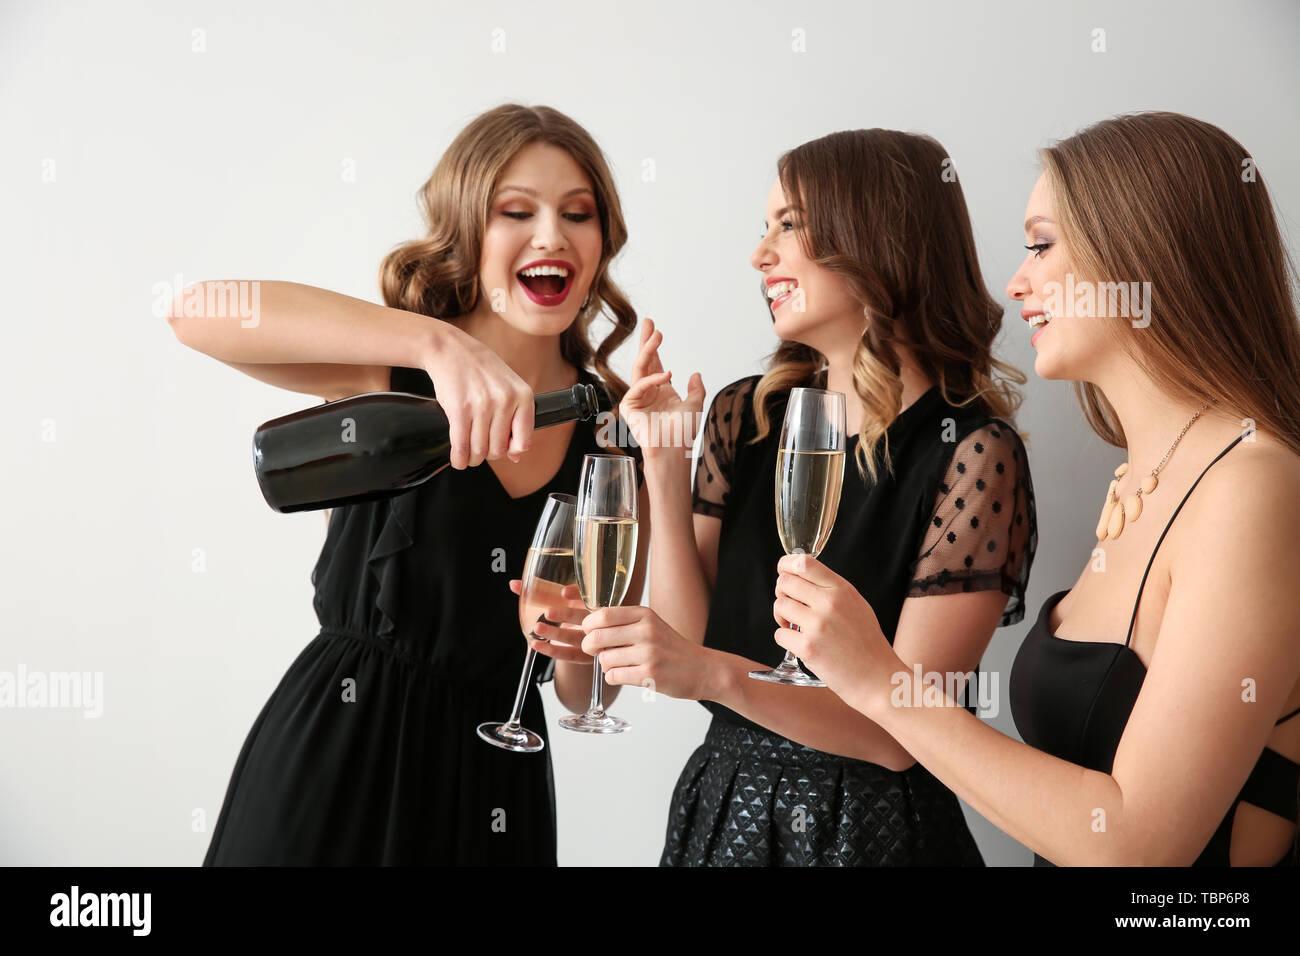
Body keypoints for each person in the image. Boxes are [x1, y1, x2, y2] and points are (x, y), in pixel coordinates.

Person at [773, 111, 1300, 866]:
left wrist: (884, 684)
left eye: (1041, 245)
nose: (1016, 282)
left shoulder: (1252, 485)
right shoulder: (1147, 475)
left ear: (1143, 251)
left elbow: (1136, 847)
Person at [534, 129, 1038, 865]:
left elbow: (900, 736)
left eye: (788, 225)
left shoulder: (970, 453)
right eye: (763, 227)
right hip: (724, 806)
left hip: (871, 832)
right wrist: (666, 461)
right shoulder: (746, 416)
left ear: (875, 238)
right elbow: (687, 645)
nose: (759, 255)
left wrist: (714, 674)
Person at [168, 103, 647, 865]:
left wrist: (574, 643)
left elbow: (587, 696)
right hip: (339, 755)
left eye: (578, 214)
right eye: (515, 211)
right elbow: (194, 312)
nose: (552, 235)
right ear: (467, 233)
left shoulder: (610, 432)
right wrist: (430, 340)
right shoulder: (396, 374)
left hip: (495, 786)